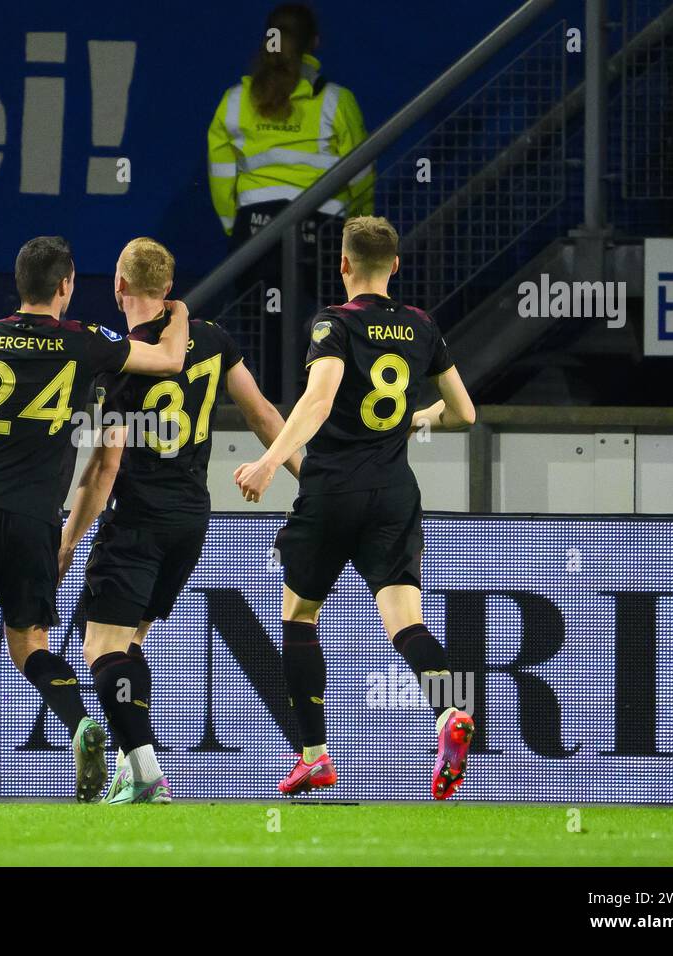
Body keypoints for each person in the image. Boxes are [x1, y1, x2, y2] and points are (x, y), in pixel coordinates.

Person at [0, 236, 190, 804]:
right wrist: (179, 310)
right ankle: (80, 724)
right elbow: (169, 360)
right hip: (35, 519)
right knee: (32, 645)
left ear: (20, 284)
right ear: (66, 286)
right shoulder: (88, 342)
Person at [233, 216, 477, 799]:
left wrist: (271, 461)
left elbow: (319, 399)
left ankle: (314, 756)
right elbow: (465, 413)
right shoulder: (422, 326)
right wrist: (415, 417)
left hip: (332, 490)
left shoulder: (333, 324)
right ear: (395, 266)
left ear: (344, 265)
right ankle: (448, 714)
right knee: (407, 623)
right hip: (394, 492)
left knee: (300, 618)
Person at [58, 238, 302, 804]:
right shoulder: (213, 339)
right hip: (192, 517)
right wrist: (308, 478)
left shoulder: (122, 359)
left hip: (139, 516)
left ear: (118, 286)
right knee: (131, 642)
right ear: (167, 289)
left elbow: (107, 463)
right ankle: (130, 763)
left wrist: (70, 539)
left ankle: (146, 772)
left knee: (100, 648)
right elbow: (265, 414)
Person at [208, 2, 375, 372]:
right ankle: (324, 405)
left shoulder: (234, 102)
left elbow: (221, 176)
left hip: (257, 231)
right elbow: (361, 175)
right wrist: (358, 228)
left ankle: (277, 411)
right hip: (326, 228)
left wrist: (237, 227)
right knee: (334, 325)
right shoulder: (337, 100)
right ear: (313, 42)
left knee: (267, 330)